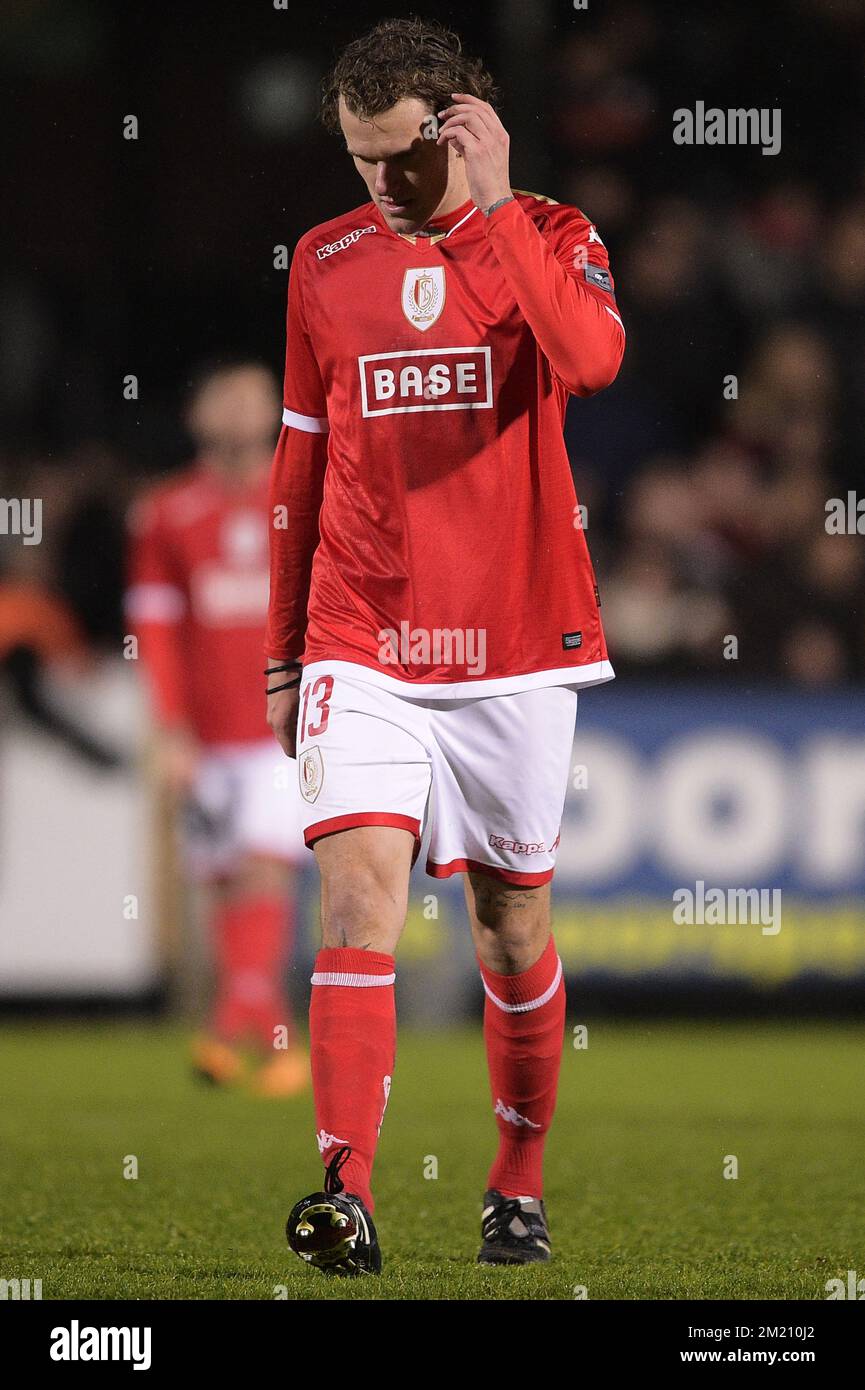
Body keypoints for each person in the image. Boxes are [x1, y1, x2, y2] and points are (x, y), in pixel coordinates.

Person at [266, 18, 624, 1271]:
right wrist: (281, 650)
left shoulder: (555, 236)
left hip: (519, 638)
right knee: (357, 892)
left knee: (509, 927)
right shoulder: (324, 262)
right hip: (360, 630)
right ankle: (343, 1190)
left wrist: (501, 203)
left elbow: (590, 358)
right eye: (358, 161)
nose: (377, 185)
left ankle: (515, 1180)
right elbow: (299, 462)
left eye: (401, 157)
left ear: (460, 125)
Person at [128, 361, 307, 1096]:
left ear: (274, 408)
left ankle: (232, 1021)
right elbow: (155, 626)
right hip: (205, 731)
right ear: (197, 413)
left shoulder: (302, 495)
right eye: (223, 397)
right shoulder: (168, 512)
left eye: (252, 396)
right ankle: (266, 1030)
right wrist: (169, 727)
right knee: (224, 878)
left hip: (284, 722)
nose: (238, 410)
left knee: (266, 862)